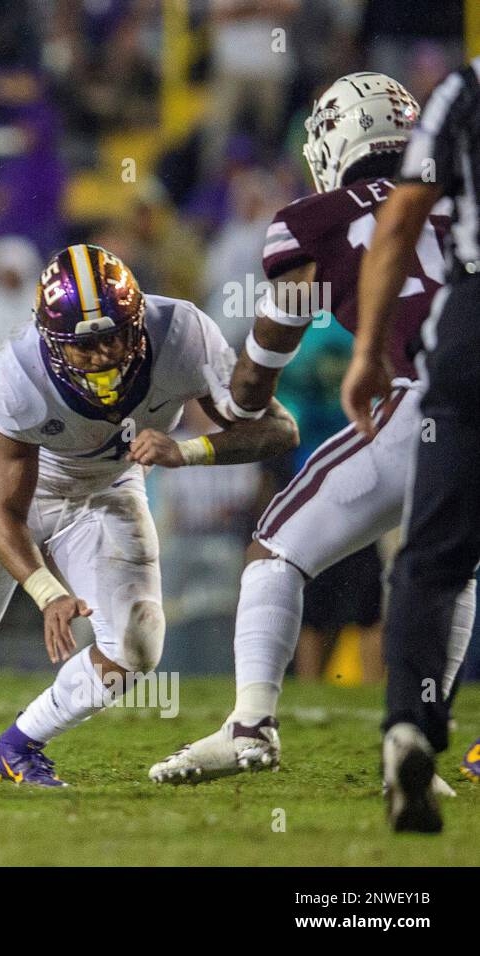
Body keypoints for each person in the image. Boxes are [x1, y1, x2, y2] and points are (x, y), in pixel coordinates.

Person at [150, 74, 475, 798]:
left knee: (274, 546)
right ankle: (422, 734)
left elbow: (273, 339)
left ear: (331, 142)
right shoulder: (461, 195)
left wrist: (246, 394)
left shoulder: (316, 217)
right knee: (453, 564)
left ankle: (251, 725)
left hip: (425, 396)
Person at [0, 243, 298, 786]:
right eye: (85, 345)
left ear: (138, 321)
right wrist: (47, 592)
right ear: (52, 340)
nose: (104, 355)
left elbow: (278, 429)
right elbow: (6, 515)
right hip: (24, 489)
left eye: (114, 336)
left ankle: (19, 745)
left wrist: (192, 449)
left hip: (111, 484)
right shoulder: (18, 372)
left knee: (136, 643)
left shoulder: (181, 332)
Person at [342, 59, 480, 832]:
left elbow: (401, 216)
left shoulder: (465, 90)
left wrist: (368, 350)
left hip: (470, 329)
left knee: (431, 557)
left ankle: (407, 730)